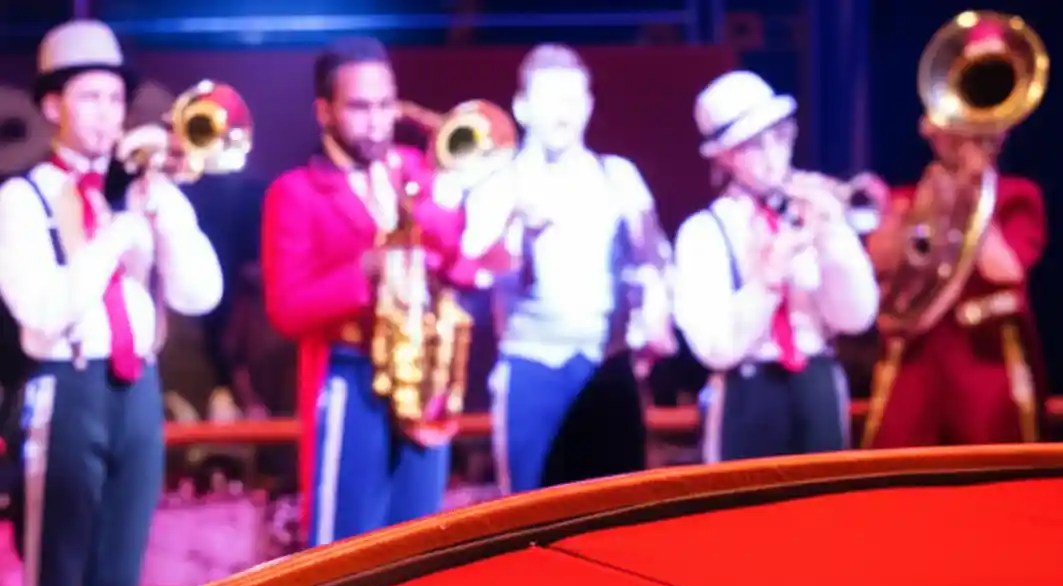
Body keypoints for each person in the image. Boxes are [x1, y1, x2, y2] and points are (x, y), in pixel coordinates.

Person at [0, 20, 223, 586]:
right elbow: (42, 312)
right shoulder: (24, 197)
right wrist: (117, 234)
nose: (107, 114)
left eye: (115, 99)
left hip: (138, 391)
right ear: (52, 106)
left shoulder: (142, 191)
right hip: (66, 389)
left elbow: (198, 296)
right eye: (89, 98)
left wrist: (169, 212)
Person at [261, 37, 471, 547]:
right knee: (343, 555)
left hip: (422, 376)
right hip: (350, 375)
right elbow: (286, 310)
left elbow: (462, 264)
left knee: (422, 553)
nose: (377, 122)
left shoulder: (415, 170)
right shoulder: (295, 192)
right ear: (324, 112)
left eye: (385, 105)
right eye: (359, 107)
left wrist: (435, 203)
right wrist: (366, 273)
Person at [461, 43, 677, 494]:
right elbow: (476, 271)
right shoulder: (498, 184)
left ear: (589, 104)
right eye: (550, 100)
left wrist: (655, 314)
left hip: (607, 365)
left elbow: (653, 256)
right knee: (528, 518)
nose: (563, 113)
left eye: (573, 100)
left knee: (618, 516)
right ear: (522, 107)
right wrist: (517, 230)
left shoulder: (618, 176)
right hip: (532, 367)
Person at [672, 70, 879, 462]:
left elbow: (857, 317)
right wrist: (767, 279)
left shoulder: (814, 214)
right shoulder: (703, 232)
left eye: (780, 137)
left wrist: (832, 235)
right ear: (725, 157)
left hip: (816, 384)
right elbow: (715, 348)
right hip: (747, 395)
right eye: (754, 145)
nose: (773, 157)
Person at [862, 112, 1048, 448]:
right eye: (948, 128)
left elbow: (1005, 270)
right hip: (916, 357)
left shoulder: (1016, 195)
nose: (958, 138)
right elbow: (876, 263)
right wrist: (896, 222)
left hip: (986, 360)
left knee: (995, 476)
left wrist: (976, 198)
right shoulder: (908, 197)